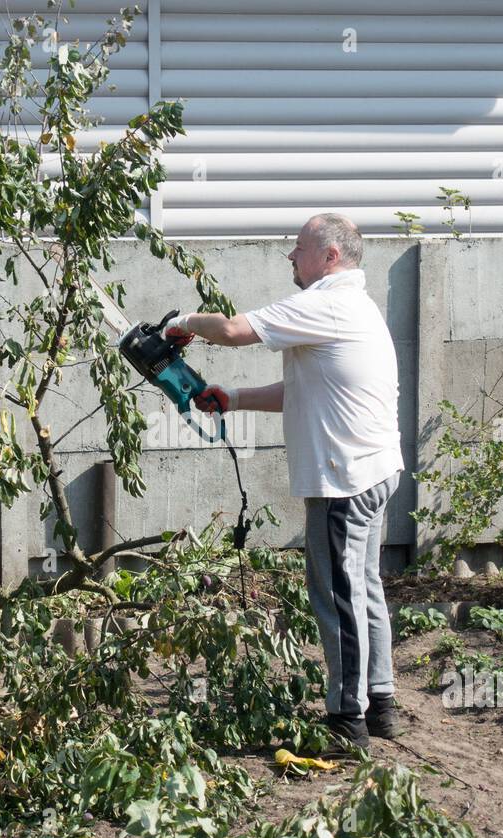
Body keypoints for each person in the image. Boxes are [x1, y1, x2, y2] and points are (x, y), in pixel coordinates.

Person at [163, 213, 405, 752]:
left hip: (343, 480)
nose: (291, 258)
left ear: (330, 257)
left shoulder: (325, 302)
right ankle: (380, 702)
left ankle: (348, 721)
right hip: (373, 471)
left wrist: (181, 322)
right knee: (363, 589)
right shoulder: (352, 308)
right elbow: (305, 390)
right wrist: (235, 398)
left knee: (336, 595)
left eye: (298, 248)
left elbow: (231, 330)